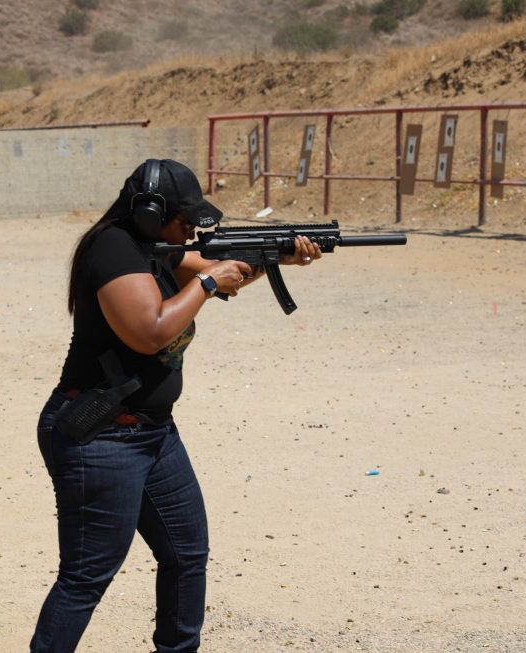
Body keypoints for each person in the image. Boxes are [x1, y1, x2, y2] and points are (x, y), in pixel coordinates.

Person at [30, 159, 322, 652]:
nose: (192, 228)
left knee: (186, 554)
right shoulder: (113, 250)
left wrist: (274, 256)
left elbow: (217, 270)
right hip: (101, 436)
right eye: (184, 218)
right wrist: (207, 286)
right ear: (148, 212)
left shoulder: (152, 247)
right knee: (86, 576)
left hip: (153, 434)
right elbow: (152, 331)